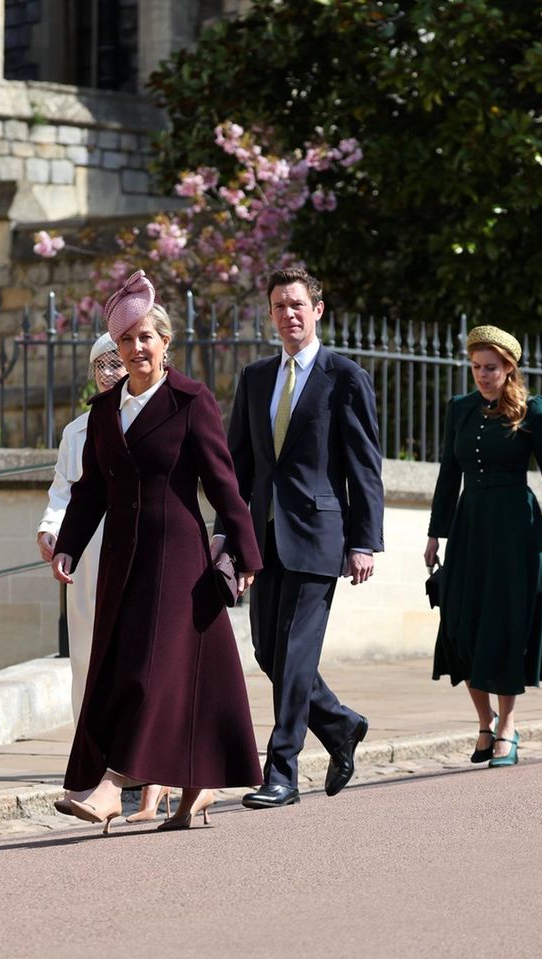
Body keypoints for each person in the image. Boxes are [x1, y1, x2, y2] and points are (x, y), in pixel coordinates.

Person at [51, 270, 263, 833]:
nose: (137, 348)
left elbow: (224, 486)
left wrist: (244, 555)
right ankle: (195, 792)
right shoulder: (102, 414)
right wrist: (69, 546)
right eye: (127, 340)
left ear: (166, 342)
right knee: (140, 671)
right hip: (121, 562)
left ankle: (113, 787)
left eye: (147, 337)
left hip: (177, 561)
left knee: (150, 671)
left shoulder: (191, 401)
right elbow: (90, 489)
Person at [217, 267, 385, 810]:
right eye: (278, 306)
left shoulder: (344, 376)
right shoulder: (256, 377)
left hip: (319, 535)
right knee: (269, 651)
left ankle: (282, 770)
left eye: (296, 305)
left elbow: (365, 467)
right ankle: (339, 727)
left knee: (293, 652)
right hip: (264, 535)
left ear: (317, 310)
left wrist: (364, 541)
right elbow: (237, 465)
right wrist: (226, 531)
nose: (288, 314)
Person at [37, 334, 172, 823]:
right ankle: (97, 771)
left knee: (141, 661)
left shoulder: (156, 411)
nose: (112, 373)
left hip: (137, 553)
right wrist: (51, 531)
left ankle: (149, 775)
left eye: (119, 363)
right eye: (103, 366)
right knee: (89, 666)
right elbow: (65, 492)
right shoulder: (79, 429)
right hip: (89, 563)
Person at [422, 326, 542, 768]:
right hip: (469, 527)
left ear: (509, 367)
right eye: (475, 367)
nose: (482, 375)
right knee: (462, 626)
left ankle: (506, 726)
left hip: (515, 531)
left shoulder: (533, 410)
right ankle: (483, 722)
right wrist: (435, 534)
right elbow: (449, 474)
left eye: (490, 367)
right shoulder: (460, 410)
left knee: (503, 628)